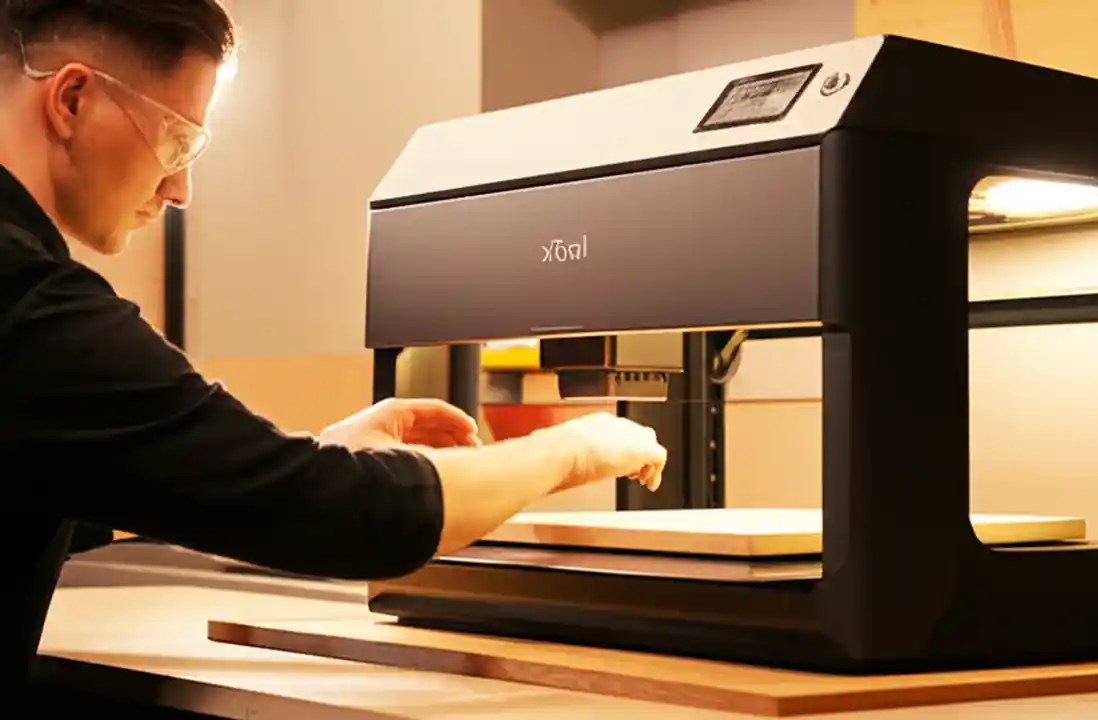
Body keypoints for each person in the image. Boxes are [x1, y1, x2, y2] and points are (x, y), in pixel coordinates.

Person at [1, 0, 667, 690]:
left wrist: (301, 461)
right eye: (176, 144)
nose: (181, 190)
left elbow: (84, 480)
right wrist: (573, 449)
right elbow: (356, 517)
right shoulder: (33, 308)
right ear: (72, 99)